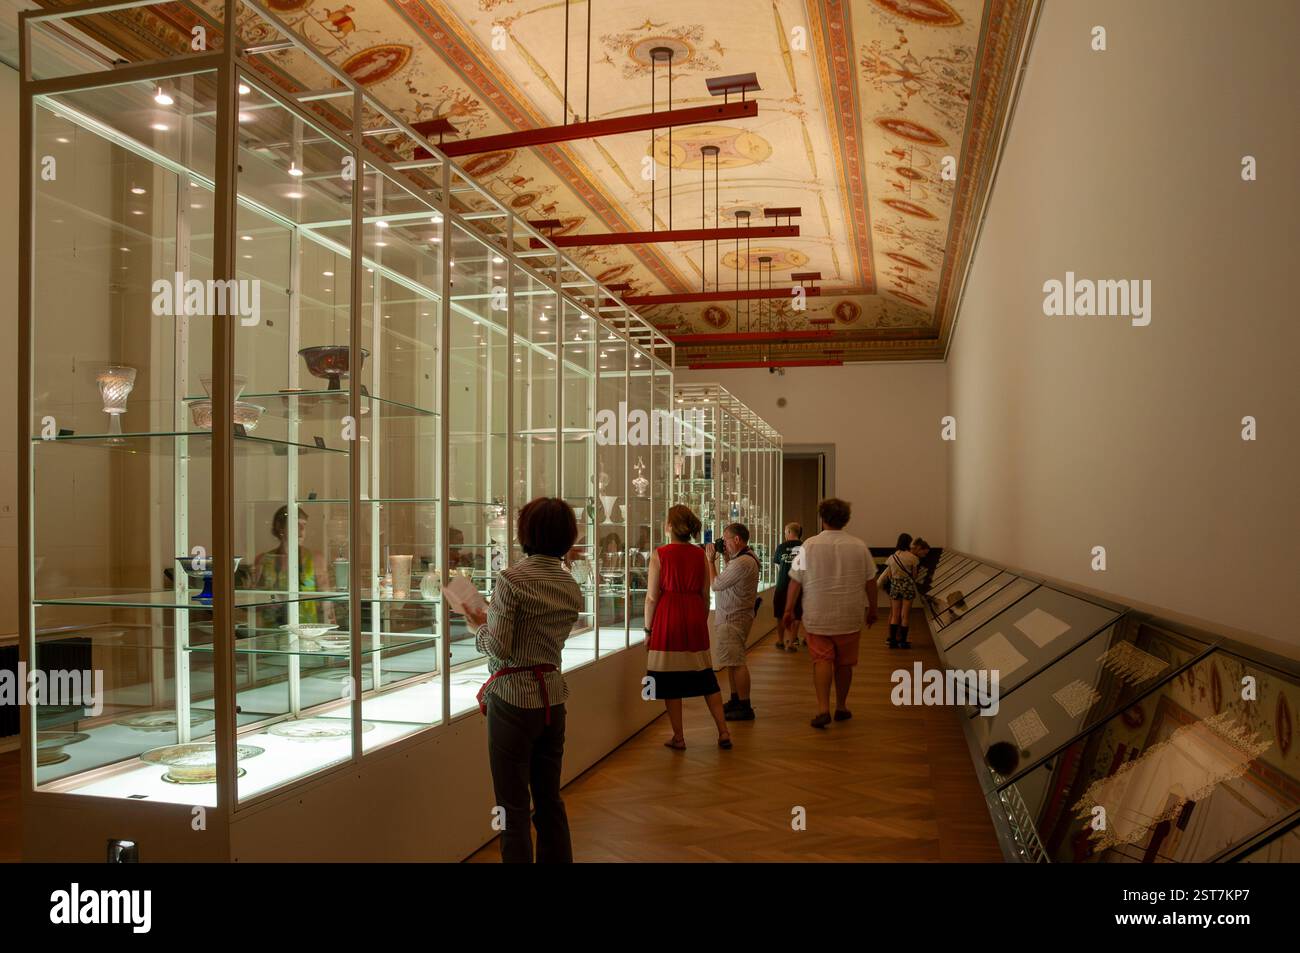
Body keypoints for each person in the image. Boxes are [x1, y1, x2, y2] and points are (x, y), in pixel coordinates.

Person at [456, 497, 584, 863]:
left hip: (513, 700)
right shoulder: (570, 584)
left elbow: (500, 648)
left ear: (525, 532)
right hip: (553, 698)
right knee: (549, 800)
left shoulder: (511, 579)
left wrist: (479, 627)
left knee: (511, 808)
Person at [783, 498, 878, 729]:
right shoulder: (858, 546)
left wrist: (788, 609)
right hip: (849, 615)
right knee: (844, 664)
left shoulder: (809, 545)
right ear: (846, 519)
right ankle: (841, 706)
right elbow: (871, 582)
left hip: (817, 615)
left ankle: (823, 708)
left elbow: (795, 581)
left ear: (822, 518)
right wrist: (873, 609)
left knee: (822, 661)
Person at [644, 504, 732, 750]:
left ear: (670, 526)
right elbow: (705, 595)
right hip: (693, 614)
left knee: (670, 680)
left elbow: (651, 597)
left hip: (668, 616)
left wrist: (648, 630)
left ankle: (679, 736)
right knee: (706, 676)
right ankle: (723, 731)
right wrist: (699, 619)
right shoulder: (700, 555)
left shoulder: (660, 554)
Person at [706, 523, 761, 721]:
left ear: (737, 539)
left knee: (737, 663)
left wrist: (710, 561)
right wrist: (725, 556)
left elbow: (716, 584)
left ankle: (745, 706)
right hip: (736, 616)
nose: (724, 543)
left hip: (733, 618)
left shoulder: (742, 562)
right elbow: (730, 574)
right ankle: (736, 699)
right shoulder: (746, 557)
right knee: (732, 661)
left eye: (726, 539)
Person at [251, 505, 332, 624]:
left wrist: (330, 630)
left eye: (304, 525)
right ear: (281, 528)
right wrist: (269, 600)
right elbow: (253, 605)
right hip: (271, 631)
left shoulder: (315, 559)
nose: (301, 531)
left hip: (306, 630)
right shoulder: (263, 560)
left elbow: (327, 603)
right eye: (296, 524)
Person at [878, 532, 921, 649]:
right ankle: (903, 641)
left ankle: (892, 641)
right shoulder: (913, 558)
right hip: (907, 586)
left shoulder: (892, 557)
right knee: (905, 615)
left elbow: (890, 575)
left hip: (895, 586)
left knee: (895, 614)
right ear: (909, 543)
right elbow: (914, 575)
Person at [771, 522, 803, 651]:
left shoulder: (781, 547)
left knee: (780, 613)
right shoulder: (804, 546)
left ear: (789, 532)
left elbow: (778, 566)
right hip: (799, 585)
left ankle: (780, 640)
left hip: (782, 584)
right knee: (797, 613)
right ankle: (791, 642)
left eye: (785, 532)